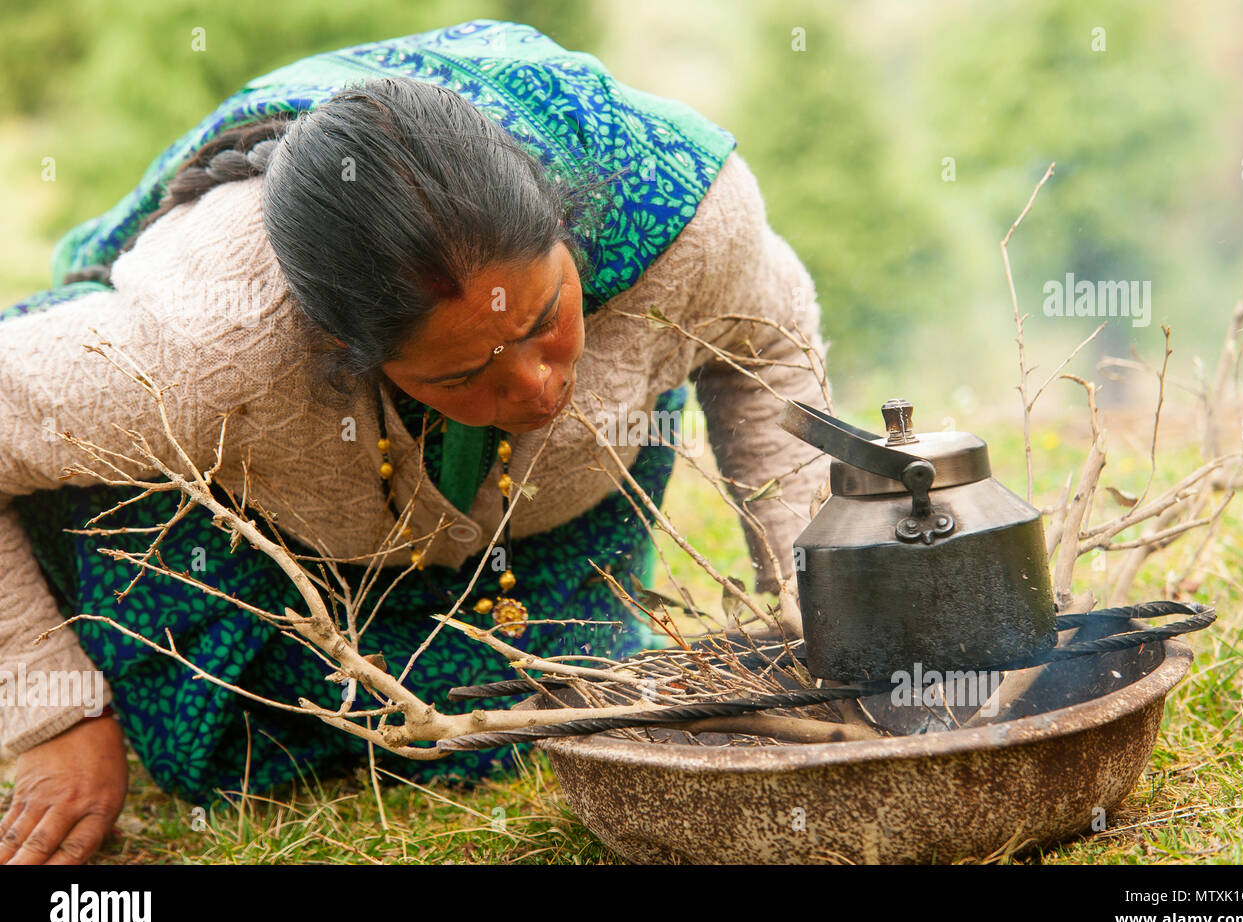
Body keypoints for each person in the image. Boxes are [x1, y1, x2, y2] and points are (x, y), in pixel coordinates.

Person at [0, 19, 828, 864]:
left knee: (573, 703)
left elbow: (768, 341)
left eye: (548, 321)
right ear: (343, 351)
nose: (539, 388)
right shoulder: (215, 348)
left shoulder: (677, 222)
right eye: (465, 374)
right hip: (280, 554)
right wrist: (54, 712)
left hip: (537, 532)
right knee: (238, 751)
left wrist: (815, 603)